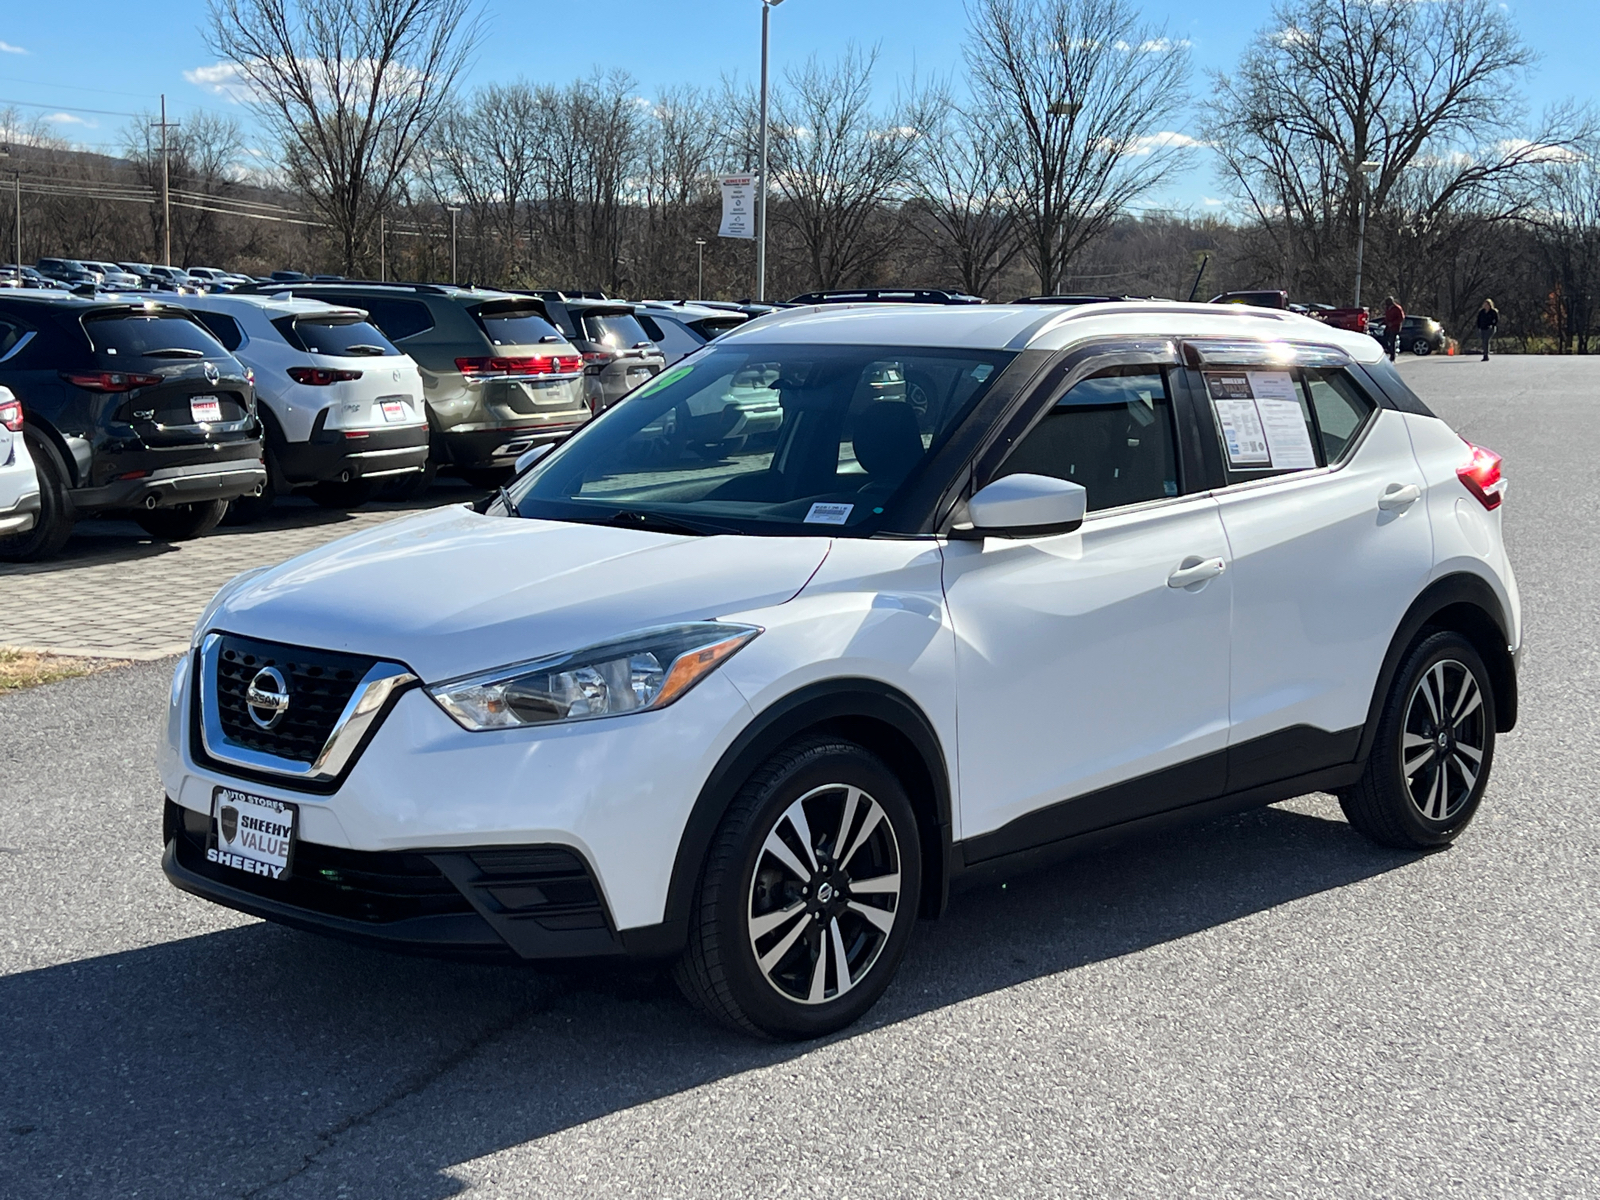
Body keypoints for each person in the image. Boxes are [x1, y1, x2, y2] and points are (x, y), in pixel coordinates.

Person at [1383, 295, 1405, 362]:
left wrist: (1393, 323)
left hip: (1395, 327)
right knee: (1385, 339)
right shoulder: (1388, 308)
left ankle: (1392, 356)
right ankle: (1389, 351)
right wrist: (1383, 322)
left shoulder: (1397, 308)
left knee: (1392, 341)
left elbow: (1401, 318)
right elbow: (1387, 317)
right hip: (1388, 326)